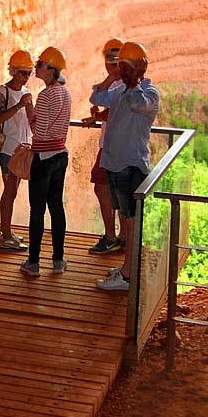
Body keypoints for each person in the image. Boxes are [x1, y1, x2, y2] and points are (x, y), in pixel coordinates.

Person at [92, 42, 161, 293]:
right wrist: (113, 77)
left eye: (123, 65)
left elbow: (138, 104)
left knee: (131, 223)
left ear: (137, 68)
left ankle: (128, 276)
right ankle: (125, 269)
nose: (119, 69)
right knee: (127, 219)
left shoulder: (149, 93)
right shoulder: (120, 90)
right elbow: (97, 96)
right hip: (115, 163)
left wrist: (132, 80)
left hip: (131, 165)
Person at [19, 47, 72, 278]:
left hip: (43, 158)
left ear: (50, 70)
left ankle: (33, 262)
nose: (36, 68)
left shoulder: (46, 95)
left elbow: (38, 132)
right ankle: (58, 259)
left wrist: (30, 110)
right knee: (57, 206)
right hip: (60, 154)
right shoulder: (66, 92)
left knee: (37, 210)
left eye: (40, 64)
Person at [83, 38, 125, 255]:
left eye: (116, 58)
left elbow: (116, 108)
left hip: (112, 147)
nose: (112, 62)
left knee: (102, 186)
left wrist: (98, 116)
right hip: (115, 145)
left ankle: (111, 237)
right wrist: (99, 116)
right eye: (110, 58)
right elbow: (98, 98)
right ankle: (123, 237)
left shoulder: (120, 83)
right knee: (117, 190)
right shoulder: (122, 82)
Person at [0, 50, 34, 251]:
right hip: (8, 148)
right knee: (9, 191)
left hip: (23, 148)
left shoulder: (26, 93)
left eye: (29, 73)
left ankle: (6, 231)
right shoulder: (3, 91)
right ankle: (5, 234)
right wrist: (18, 106)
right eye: (24, 73)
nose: (26, 77)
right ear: (13, 71)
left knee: (13, 191)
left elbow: (31, 121)